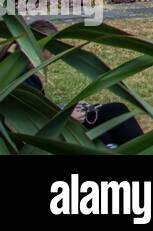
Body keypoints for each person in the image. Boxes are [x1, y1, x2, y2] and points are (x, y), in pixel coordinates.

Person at [4, 19, 144, 148]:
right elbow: (14, 122)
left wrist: (64, 111)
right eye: (51, 49)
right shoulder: (12, 75)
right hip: (43, 131)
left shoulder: (27, 75)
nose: (50, 57)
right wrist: (62, 120)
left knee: (108, 127)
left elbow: (36, 108)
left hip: (50, 122)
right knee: (116, 113)